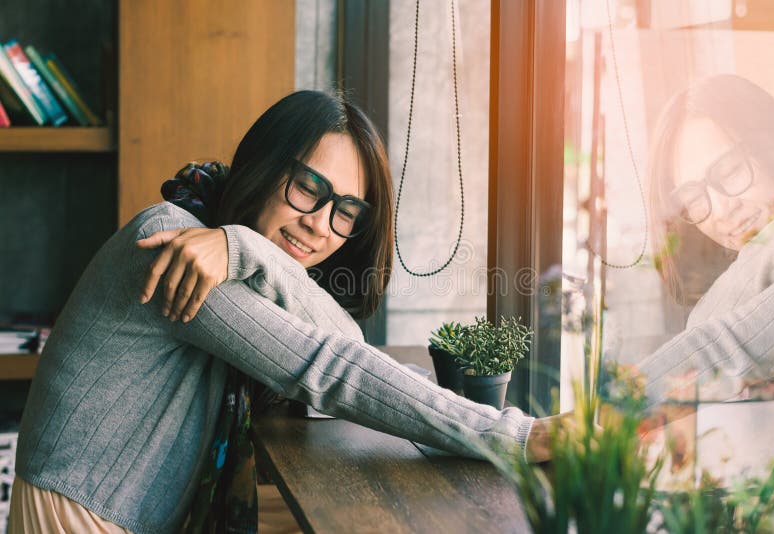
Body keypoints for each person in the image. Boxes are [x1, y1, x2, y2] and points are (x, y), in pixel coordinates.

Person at [9, 90, 552, 534]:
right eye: (308, 188)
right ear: (264, 166)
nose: (320, 224)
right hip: (78, 518)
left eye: (345, 211)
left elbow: (341, 339)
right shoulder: (173, 243)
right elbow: (329, 366)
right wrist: (516, 436)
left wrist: (249, 248)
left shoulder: (233, 257)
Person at [639, 73, 774, 409]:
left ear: (773, 148)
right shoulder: (746, 284)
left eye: (729, 171)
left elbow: (729, 344)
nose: (722, 210)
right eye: (693, 197)